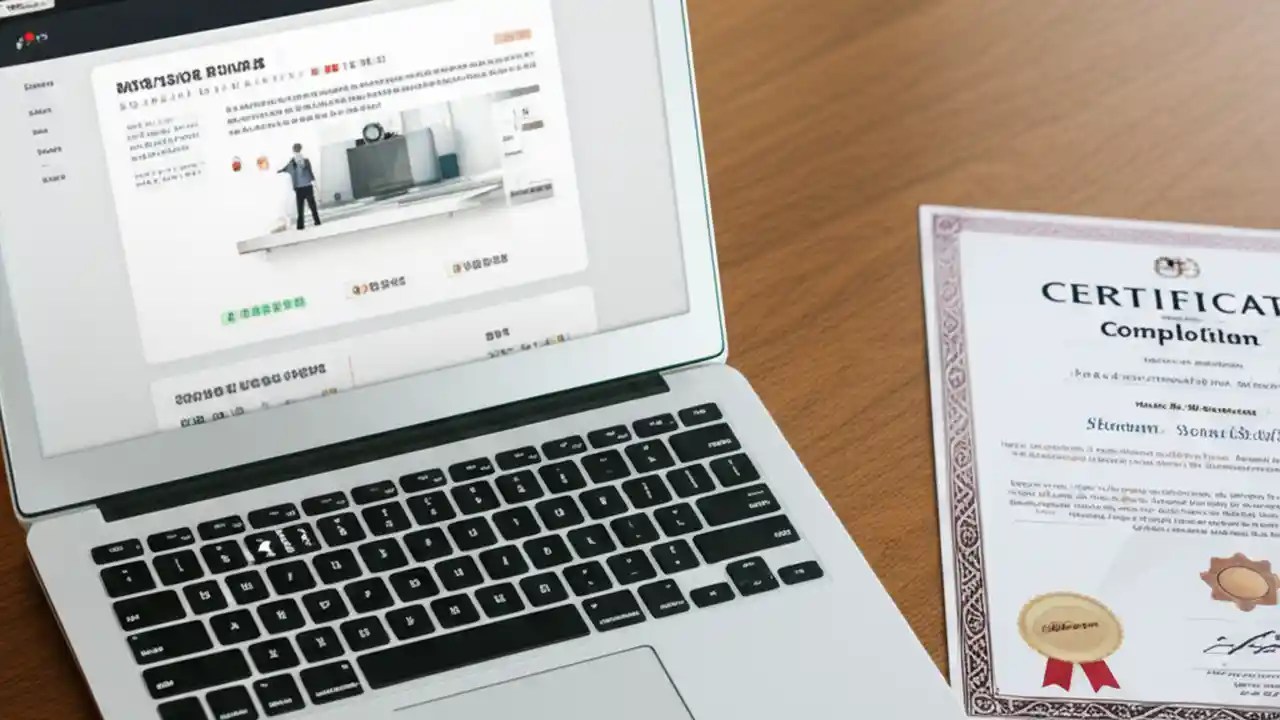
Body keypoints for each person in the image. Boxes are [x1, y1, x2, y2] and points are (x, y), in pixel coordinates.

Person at [278, 143, 322, 230]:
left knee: (301, 208)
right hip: (306, 186)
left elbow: (286, 169)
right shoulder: (302, 161)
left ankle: (301, 226)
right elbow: (309, 172)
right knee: (311, 206)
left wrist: (279, 171)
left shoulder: (295, 161)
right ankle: (316, 222)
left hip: (300, 188)